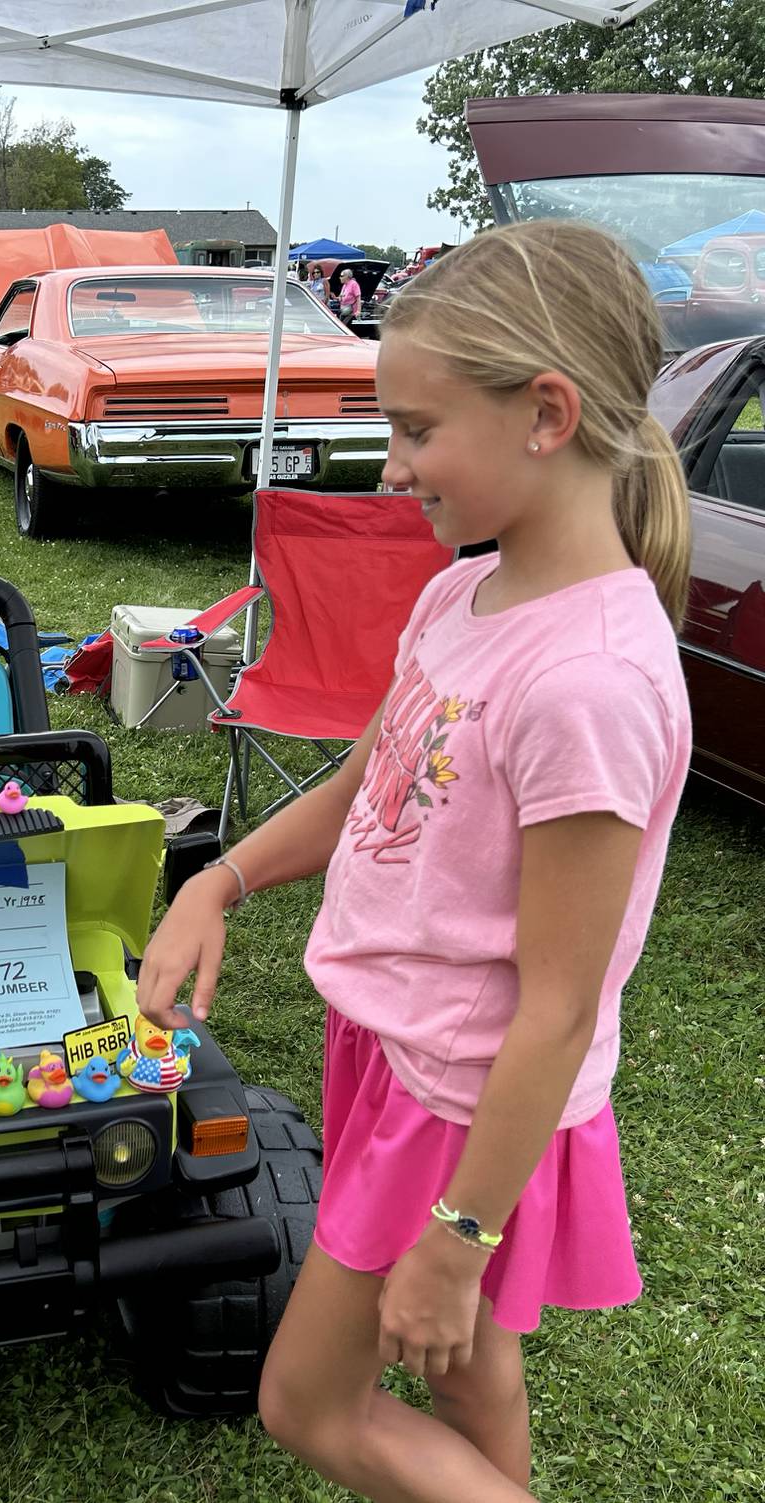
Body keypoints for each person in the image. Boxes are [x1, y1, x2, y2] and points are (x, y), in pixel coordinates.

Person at [137, 218, 691, 1503]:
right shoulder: (463, 595)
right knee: (464, 1374)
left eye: (417, 430)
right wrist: (218, 881)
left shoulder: (589, 686)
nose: (393, 470)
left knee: (309, 1404)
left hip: (463, 1110)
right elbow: (360, 784)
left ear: (546, 413)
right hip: (398, 1053)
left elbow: (559, 1009)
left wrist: (456, 1236)